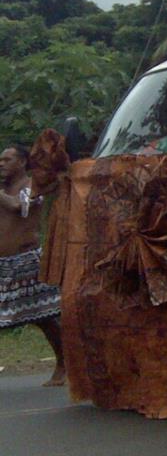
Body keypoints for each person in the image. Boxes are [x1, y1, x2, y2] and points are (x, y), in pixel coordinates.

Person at [0, 145, 65, 387]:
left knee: (44, 317)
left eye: (7, 159)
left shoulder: (32, 186)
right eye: (0, 160)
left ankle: (64, 362)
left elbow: (21, 207)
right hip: (2, 265)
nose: (1, 164)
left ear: (23, 163)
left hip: (27, 262)